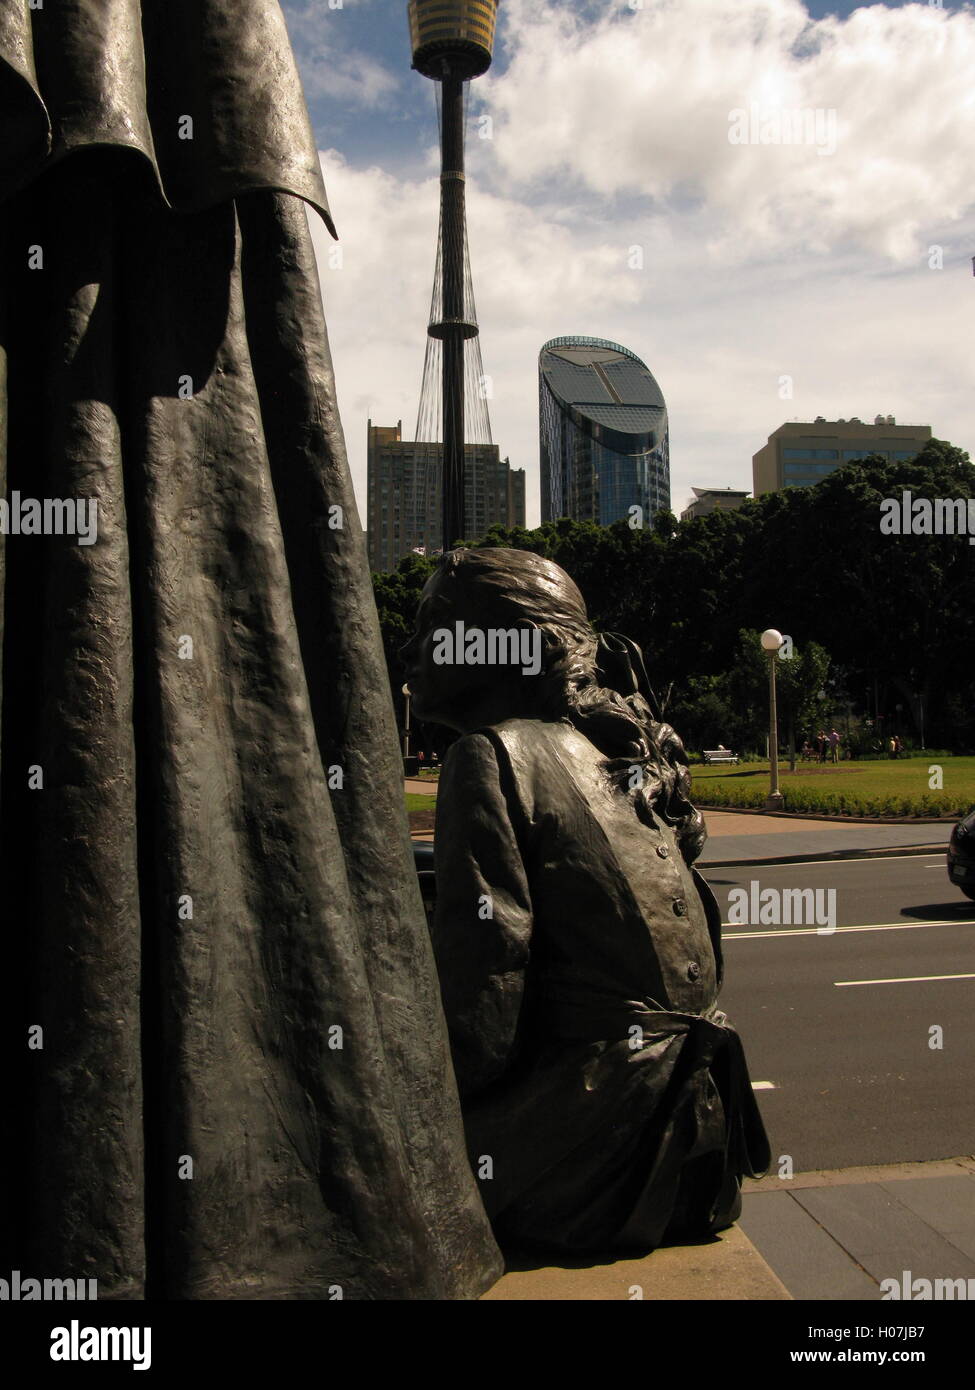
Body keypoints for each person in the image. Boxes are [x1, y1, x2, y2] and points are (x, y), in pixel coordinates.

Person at [400, 548, 770, 1254]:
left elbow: (484, 996)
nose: (410, 649)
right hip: (697, 1152)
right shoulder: (613, 753)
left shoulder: (491, 756)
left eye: (431, 626)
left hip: (593, 1159)